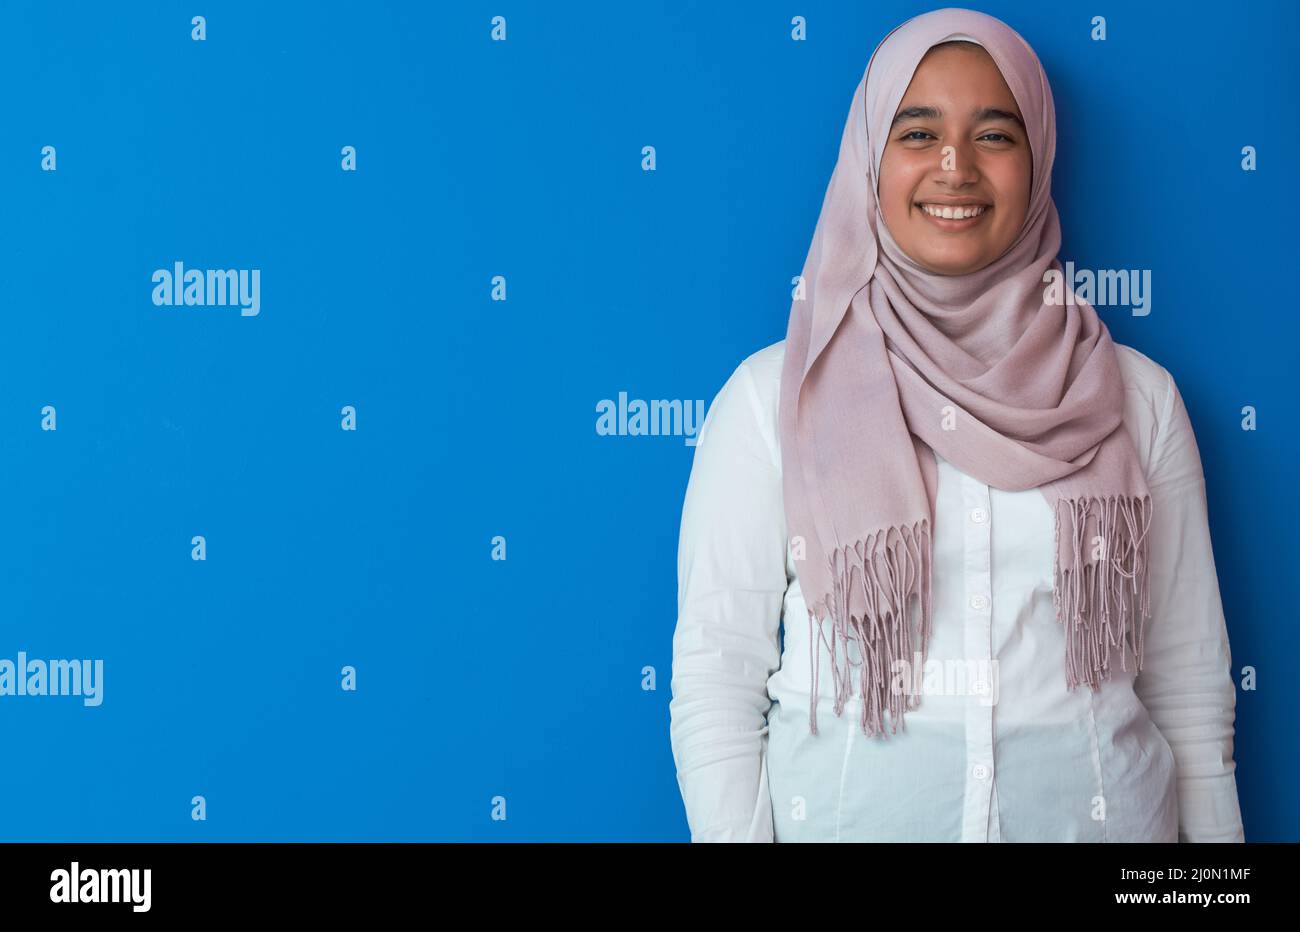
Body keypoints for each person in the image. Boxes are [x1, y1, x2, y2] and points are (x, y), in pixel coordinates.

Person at [668, 7, 1245, 843]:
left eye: (996, 136)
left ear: (1039, 158)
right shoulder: (771, 400)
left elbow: (1190, 688)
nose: (955, 168)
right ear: (869, 158)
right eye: (917, 133)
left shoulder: (1137, 398)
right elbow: (718, 681)